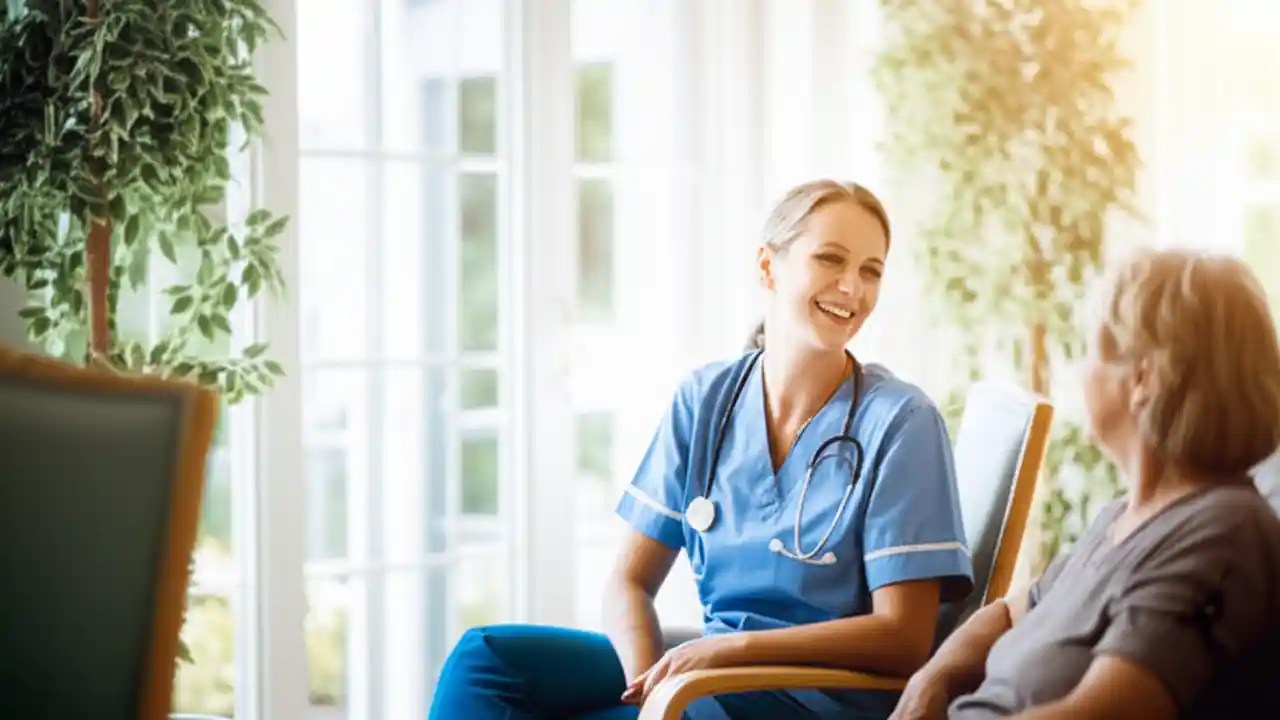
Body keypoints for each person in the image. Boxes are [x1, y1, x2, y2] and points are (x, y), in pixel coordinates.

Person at [428, 180, 974, 720]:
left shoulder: (901, 422)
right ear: (768, 266)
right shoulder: (707, 400)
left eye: (871, 271)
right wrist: (651, 698)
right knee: (487, 661)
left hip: (811, 696)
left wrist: (730, 651)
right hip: (708, 680)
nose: (852, 288)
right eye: (831, 260)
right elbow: (630, 581)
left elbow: (903, 636)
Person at [890, 249, 1280, 720]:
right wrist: (934, 677)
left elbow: (1104, 712)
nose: (1079, 373)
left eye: (1089, 350)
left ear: (1142, 381)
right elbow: (1011, 612)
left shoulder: (1223, 533)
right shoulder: (1123, 515)